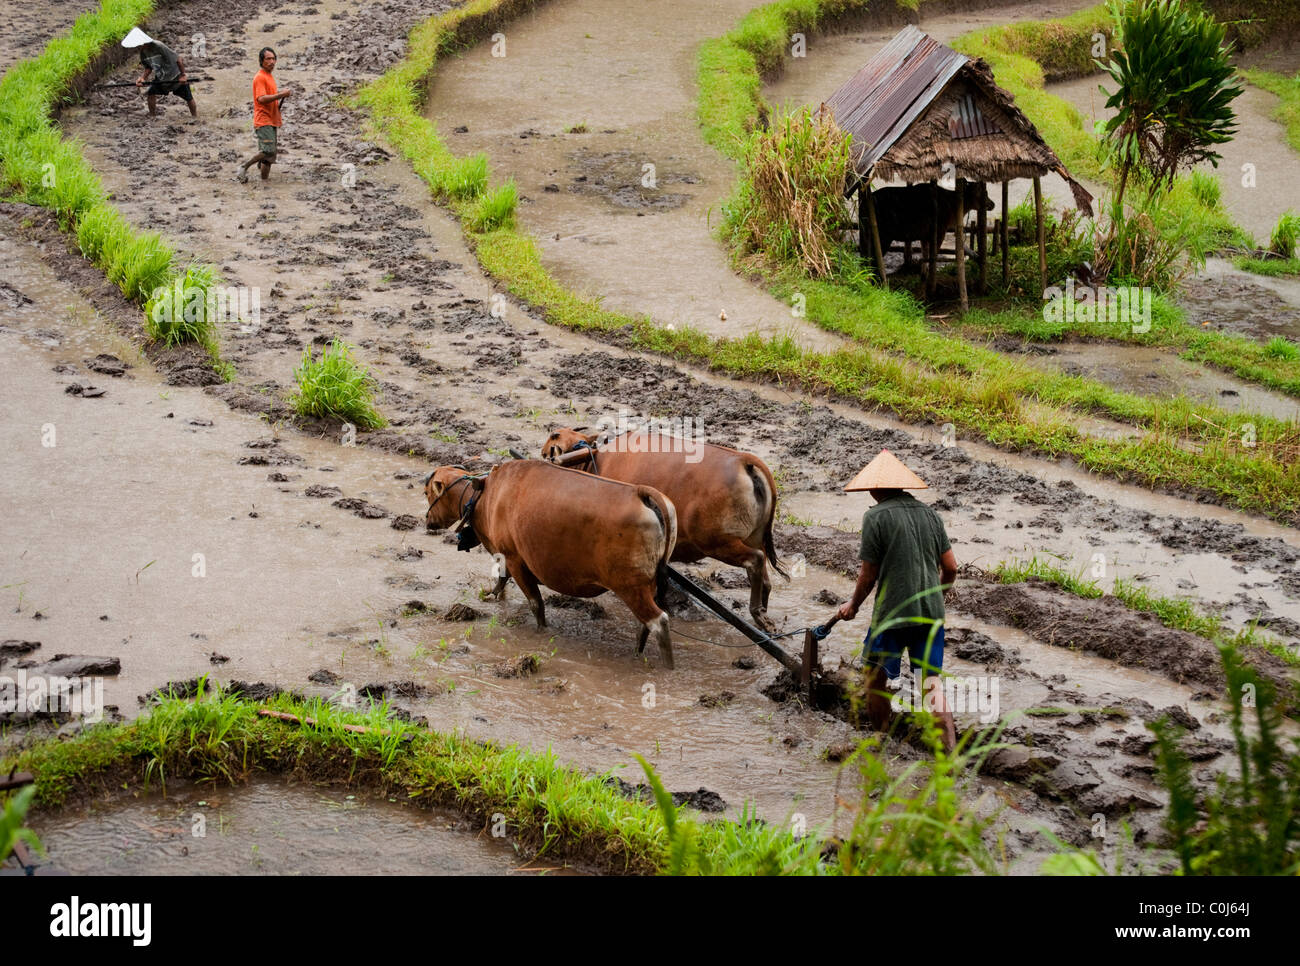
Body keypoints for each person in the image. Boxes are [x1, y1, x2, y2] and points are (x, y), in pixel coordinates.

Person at [834, 449, 960, 751]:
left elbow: (868, 574)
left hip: (892, 614)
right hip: (931, 615)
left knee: (874, 678)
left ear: (874, 488)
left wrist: (853, 605)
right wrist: (936, 595)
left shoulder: (875, 517)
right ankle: (950, 755)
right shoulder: (931, 515)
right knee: (931, 684)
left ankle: (880, 740)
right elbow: (952, 568)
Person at [236, 47, 292, 183]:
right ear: (261, 61)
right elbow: (261, 99)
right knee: (268, 150)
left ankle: (264, 183)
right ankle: (244, 166)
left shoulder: (269, 76)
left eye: (273, 59)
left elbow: (269, 97)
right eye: (268, 59)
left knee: (269, 158)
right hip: (263, 120)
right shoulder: (260, 77)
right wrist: (280, 95)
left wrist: (280, 95)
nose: (271, 61)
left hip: (272, 119)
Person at [122, 27, 197, 118]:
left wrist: (183, 75)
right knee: (151, 92)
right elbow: (148, 67)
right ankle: (152, 116)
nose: (137, 47)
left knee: (188, 97)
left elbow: (178, 59)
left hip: (175, 76)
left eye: (138, 45)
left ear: (143, 42)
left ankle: (195, 117)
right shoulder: (143, 53)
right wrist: (143, 78)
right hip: (161, 78)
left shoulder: (158, 46)